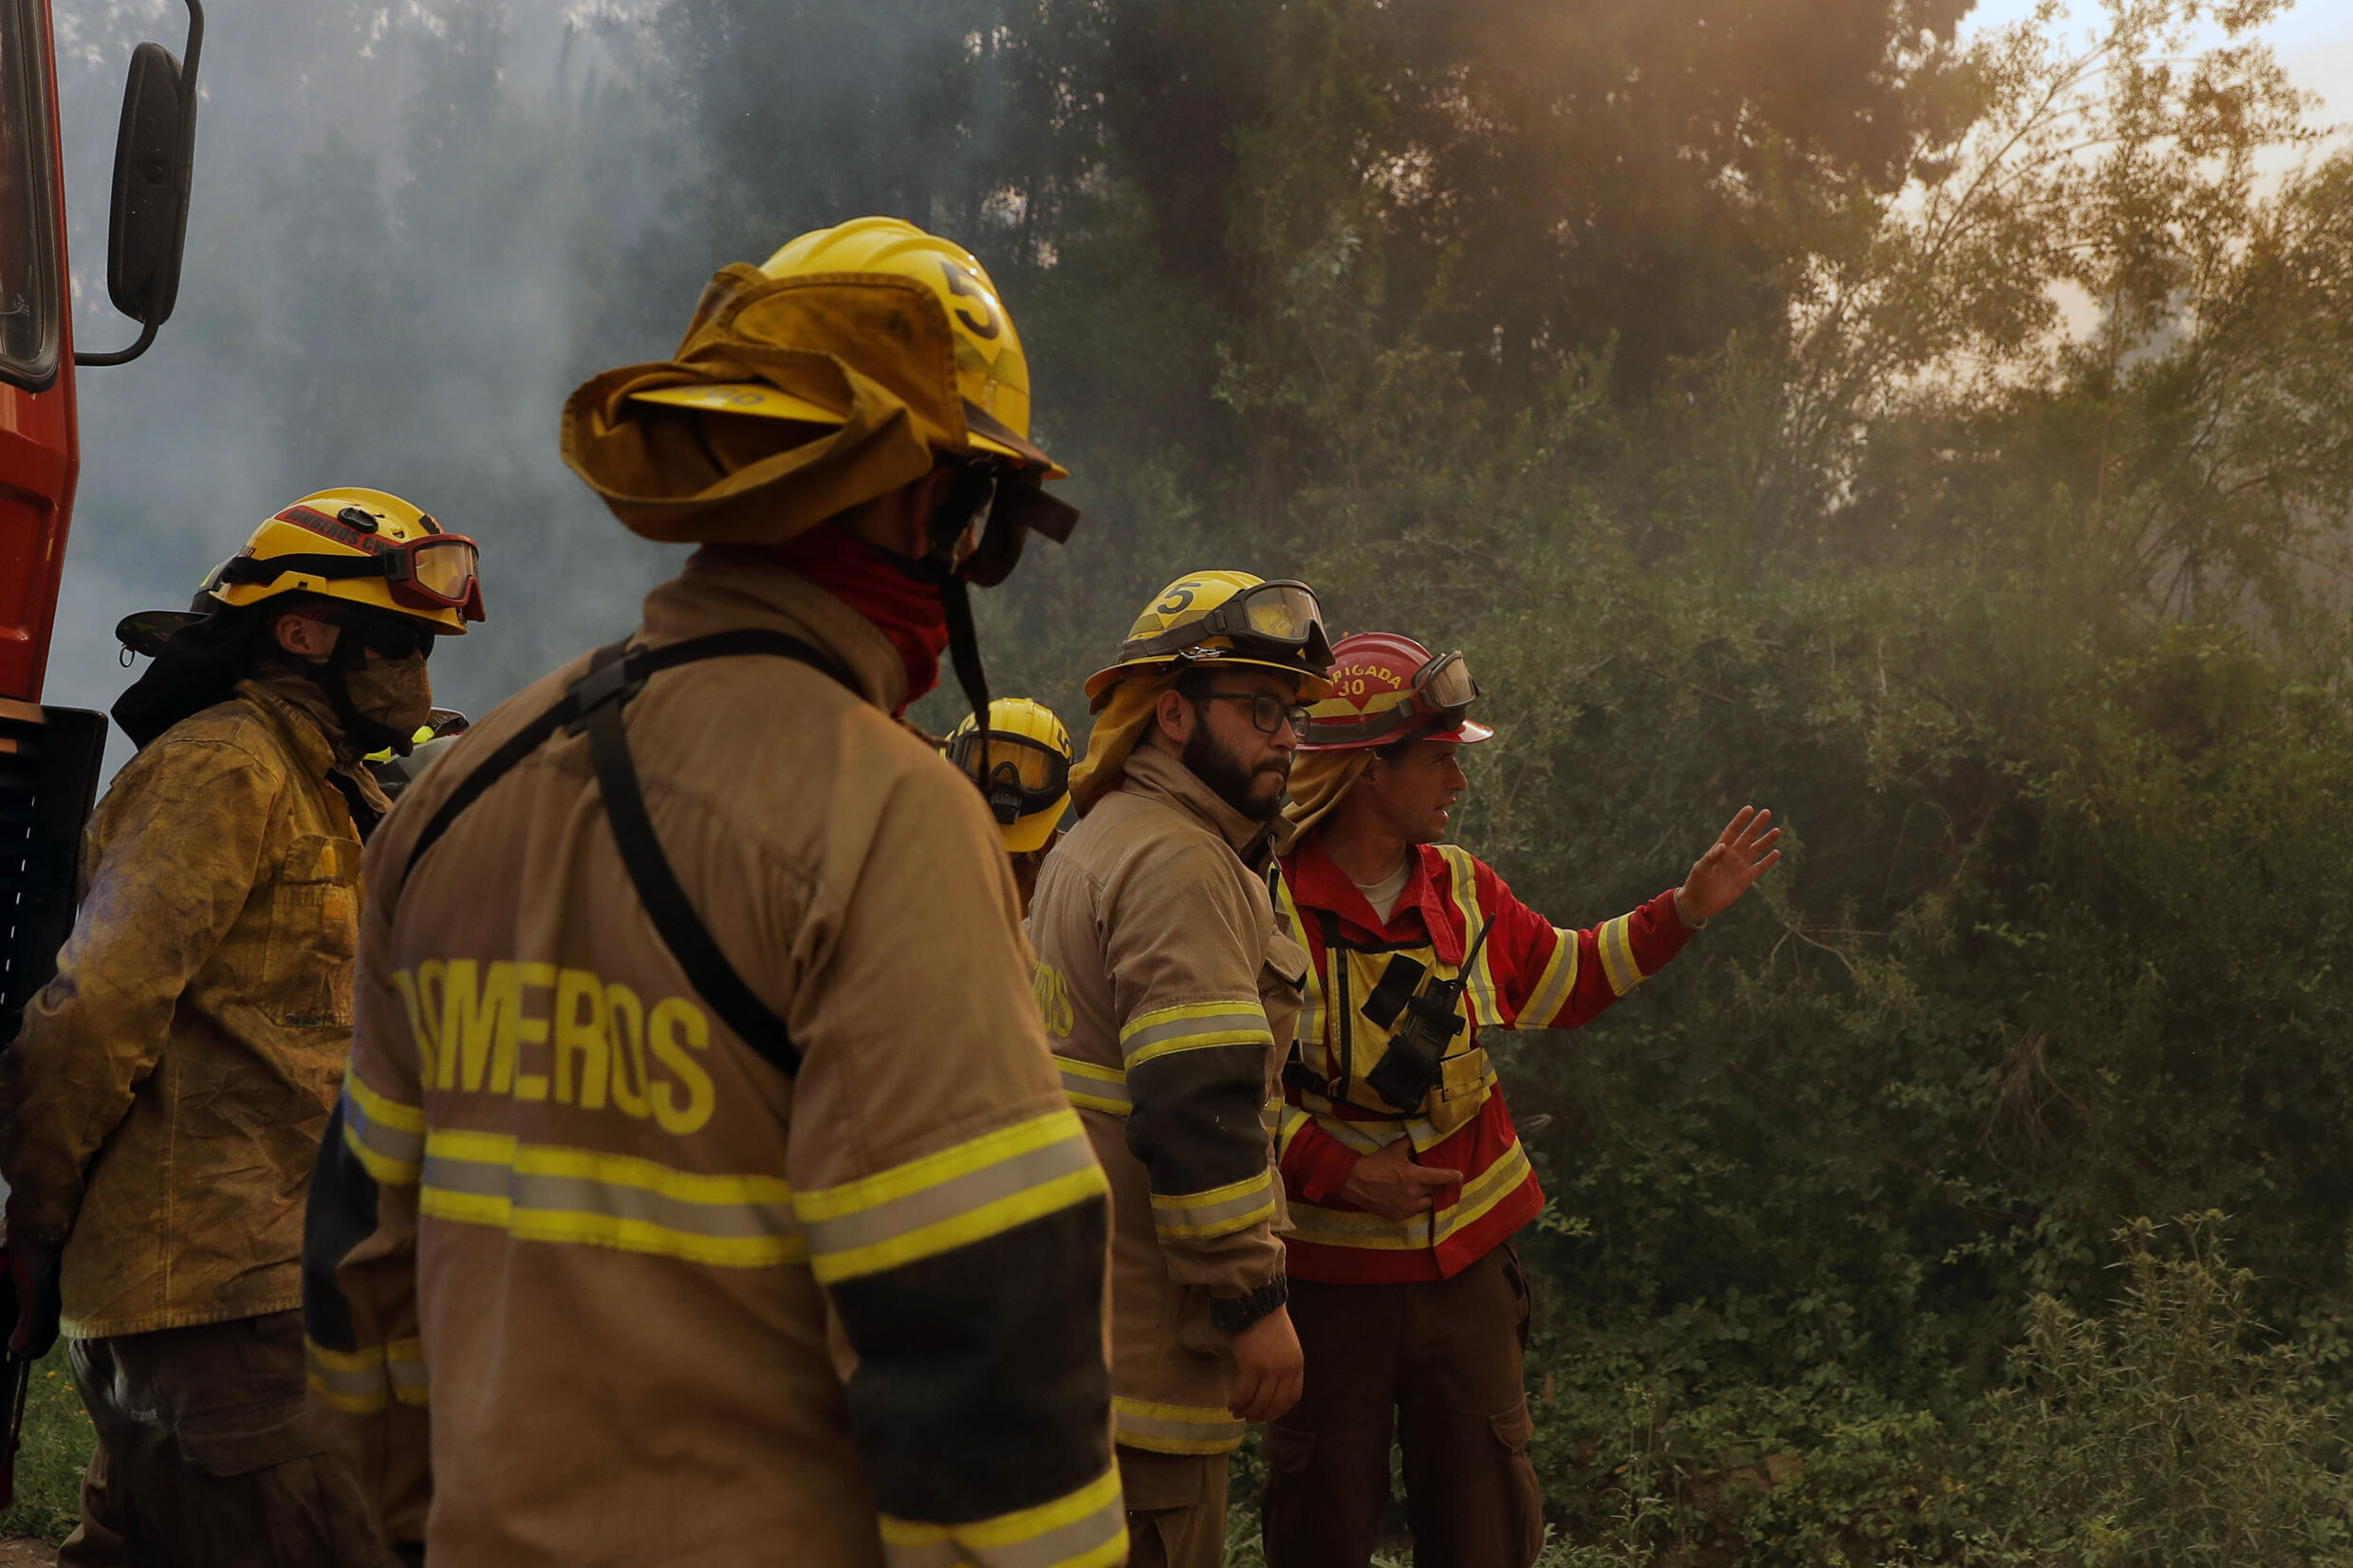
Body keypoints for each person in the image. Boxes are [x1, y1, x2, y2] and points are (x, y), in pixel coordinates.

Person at [302, 217, 1121, 1568]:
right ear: (922, 506)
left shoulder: (458, 794)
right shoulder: (890, 819)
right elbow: (985, 1342)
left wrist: (429, 1529)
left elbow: (356, 1265)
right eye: (981, 516)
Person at [0, 488, 483, 1567]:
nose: (419, 676)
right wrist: (35, 1222)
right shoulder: (224, 769)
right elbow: (92, 1016)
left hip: (259, 1297)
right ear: (306, 631)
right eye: (401, 643)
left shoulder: (332, 788)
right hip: (224, 1311)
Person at [1258, 631, 1780, 1568]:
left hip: (1465, 1276)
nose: (1457, 783)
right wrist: (1337, 1172)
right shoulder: (1266, 905)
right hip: (1328, 1290)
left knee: (1485, 1527)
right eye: (1437, 761)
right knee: (1317, 1526)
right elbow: (1223, 1093)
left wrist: (1685, 910)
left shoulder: (1461, 890)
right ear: (1367, 773)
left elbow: (1569, 980)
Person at [1027, 571, 1332, 1568]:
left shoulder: (1094, 842)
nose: (1285, 735)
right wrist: (1253, 1303)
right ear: (1169, 715)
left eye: (1289, 713)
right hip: (1146, 1368)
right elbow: (1194, 1109)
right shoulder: (1181, 865)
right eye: (1257, 710)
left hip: (1069, 1343)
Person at [945, 695, 1074, 912]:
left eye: (1030, 773)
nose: (1006, 784)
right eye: (985, 764)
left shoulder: (1072, 875)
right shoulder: (905, 851)